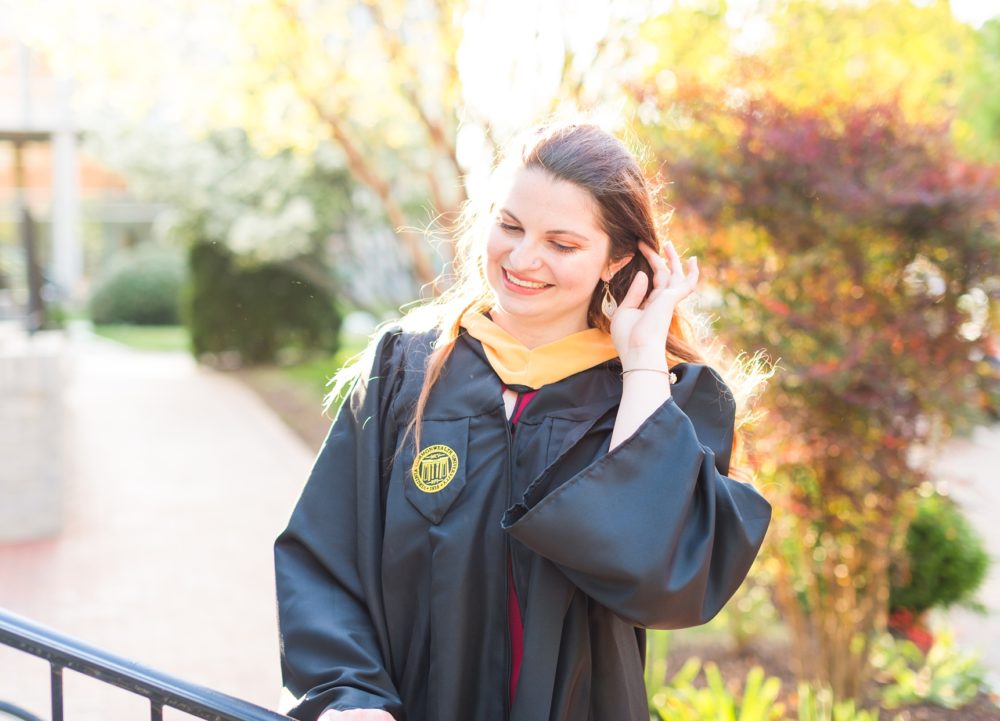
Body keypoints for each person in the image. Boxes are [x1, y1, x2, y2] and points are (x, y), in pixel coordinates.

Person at [273, 121, 773, 721]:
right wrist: (350, 698)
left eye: (562, 244)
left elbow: (659, 579)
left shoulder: (660, 395)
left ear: (617, 257)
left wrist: (641, 365)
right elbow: (326, 556)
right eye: (509, 226)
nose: (523, 258)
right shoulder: (406, 370)